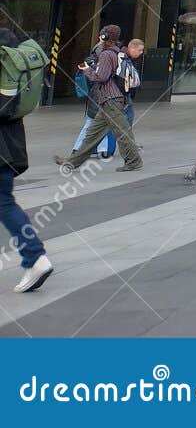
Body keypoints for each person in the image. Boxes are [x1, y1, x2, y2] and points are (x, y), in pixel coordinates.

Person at [0, 26, 52, 294]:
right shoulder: (14, 66)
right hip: (12, 148)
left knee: (5, 205)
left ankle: (35, 257)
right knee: (5, 203)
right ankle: (34, 257)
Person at [55, 25, 142, 173]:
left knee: (122, 132)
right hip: (109, 99)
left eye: (101, 35)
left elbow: (101, 77)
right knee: (92, 134)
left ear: (104, 37)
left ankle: (134, 162)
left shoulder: (107, 54)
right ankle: (71, 162)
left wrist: (86, 70)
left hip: (111, 99)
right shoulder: (116, 52)